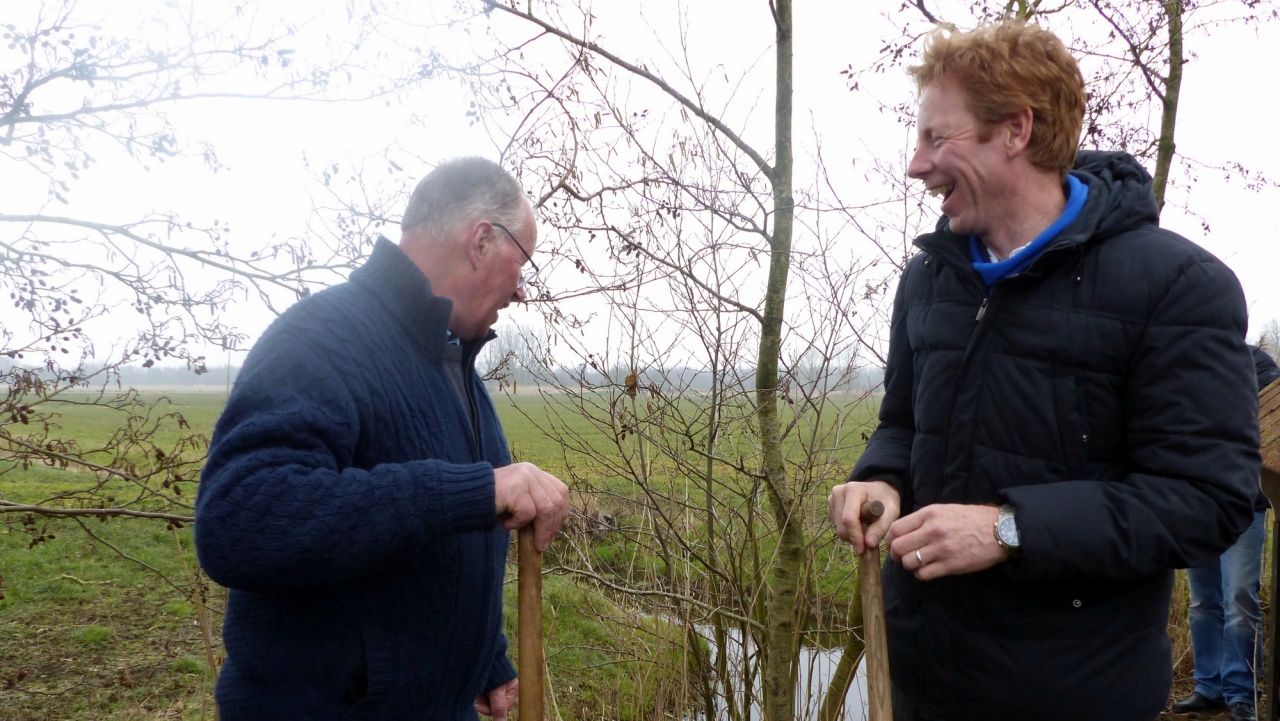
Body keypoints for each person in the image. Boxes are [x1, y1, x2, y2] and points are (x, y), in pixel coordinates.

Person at [826, 22, 1261, 721]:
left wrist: (1006, 528)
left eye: (938, 138)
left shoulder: (1177, 286)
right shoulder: (929, 281)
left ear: (1017, 129)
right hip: (924, 686)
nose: (916, 164)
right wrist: (881, 477)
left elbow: (1207, 498)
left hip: (1073, 693)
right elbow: (903, 423)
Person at [194, 157, 570, 720]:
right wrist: (475, 491)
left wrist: (485, 658)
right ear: (481, 242)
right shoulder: (322, 338)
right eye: (523, 265)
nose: (521, 291)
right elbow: (240, 521)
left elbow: (449, 543)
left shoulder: (455, 368)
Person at [1174, 345, 1280, 721]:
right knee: (1203, 603)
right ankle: (1209, 687)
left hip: (1244, 505)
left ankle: (1242, 693)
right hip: (1197, 506)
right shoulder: (1188, 365)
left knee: (1239, 601)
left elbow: (1264, 425)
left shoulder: (1258, 364)